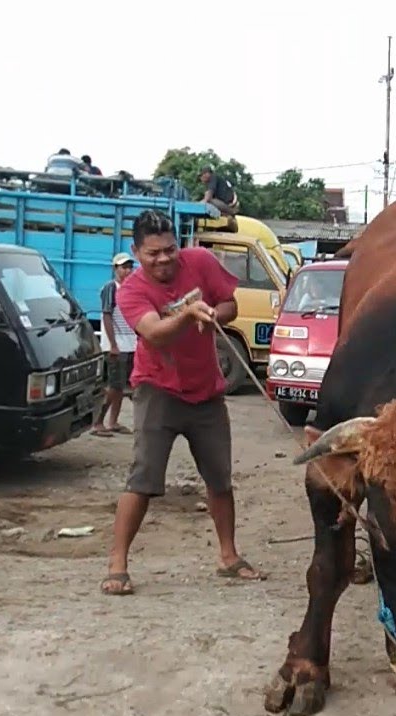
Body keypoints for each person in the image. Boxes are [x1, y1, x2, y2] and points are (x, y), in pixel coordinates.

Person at [100, 209, 265, 596]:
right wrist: (190, 313)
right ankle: (117, 564)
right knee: (143, 479)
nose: (164, 259)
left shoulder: (201, 261)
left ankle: (229, 556)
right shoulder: (131, 290)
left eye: (170, 250)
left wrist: (212, 313)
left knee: (220, 478)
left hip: (206, 390)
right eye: (153, 253)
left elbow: (230, 305)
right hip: (158, 389)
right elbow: (155, 333)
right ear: (136, 252)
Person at [92, 253, 137, 437]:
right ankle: (98, 422)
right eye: (123, 267)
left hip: (129, 343)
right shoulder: (111, 288)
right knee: (114, 386)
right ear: (115, 269)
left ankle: (113, 422)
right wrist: (113, 345)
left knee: (120, 387)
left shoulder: (130, 289)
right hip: (116, 344)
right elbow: (107, 316)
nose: (127, 270)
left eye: (129, 267)